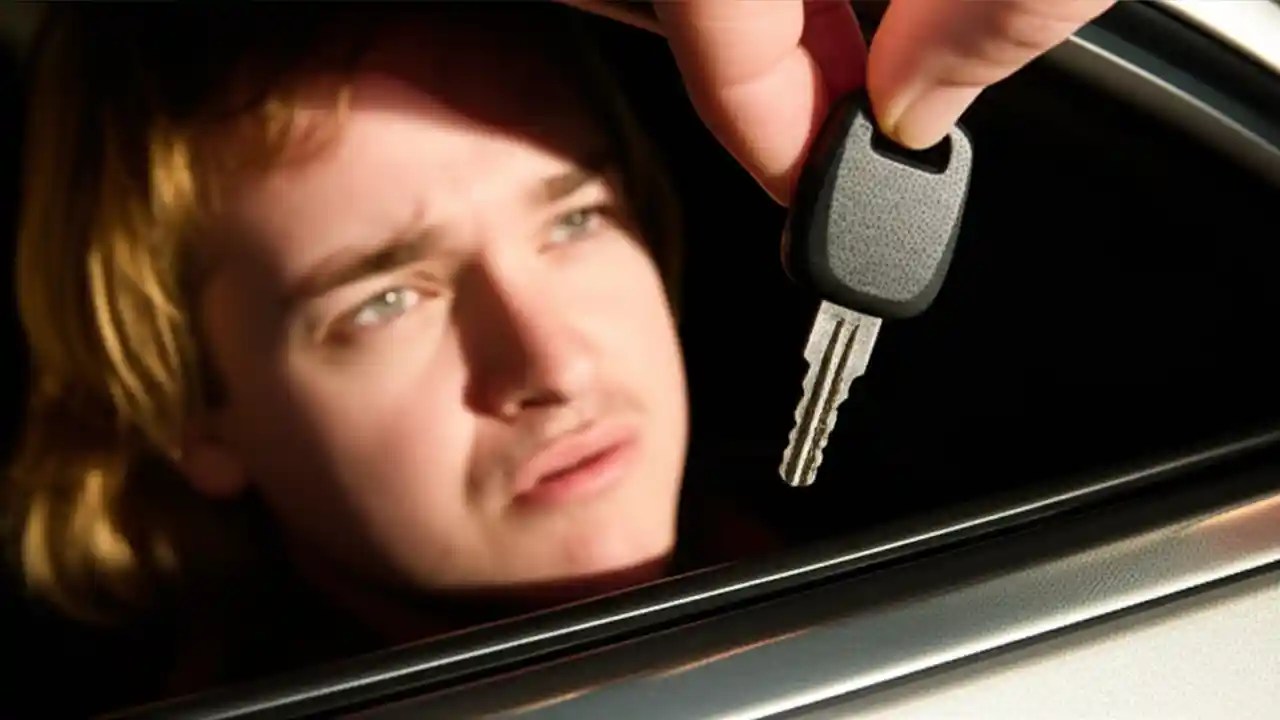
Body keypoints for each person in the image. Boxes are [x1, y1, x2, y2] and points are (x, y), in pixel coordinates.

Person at [2, 0, 1111, 711]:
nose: (552, 367)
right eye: (384, 300)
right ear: (188, 407)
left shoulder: (892, 540)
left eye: (573, 220)